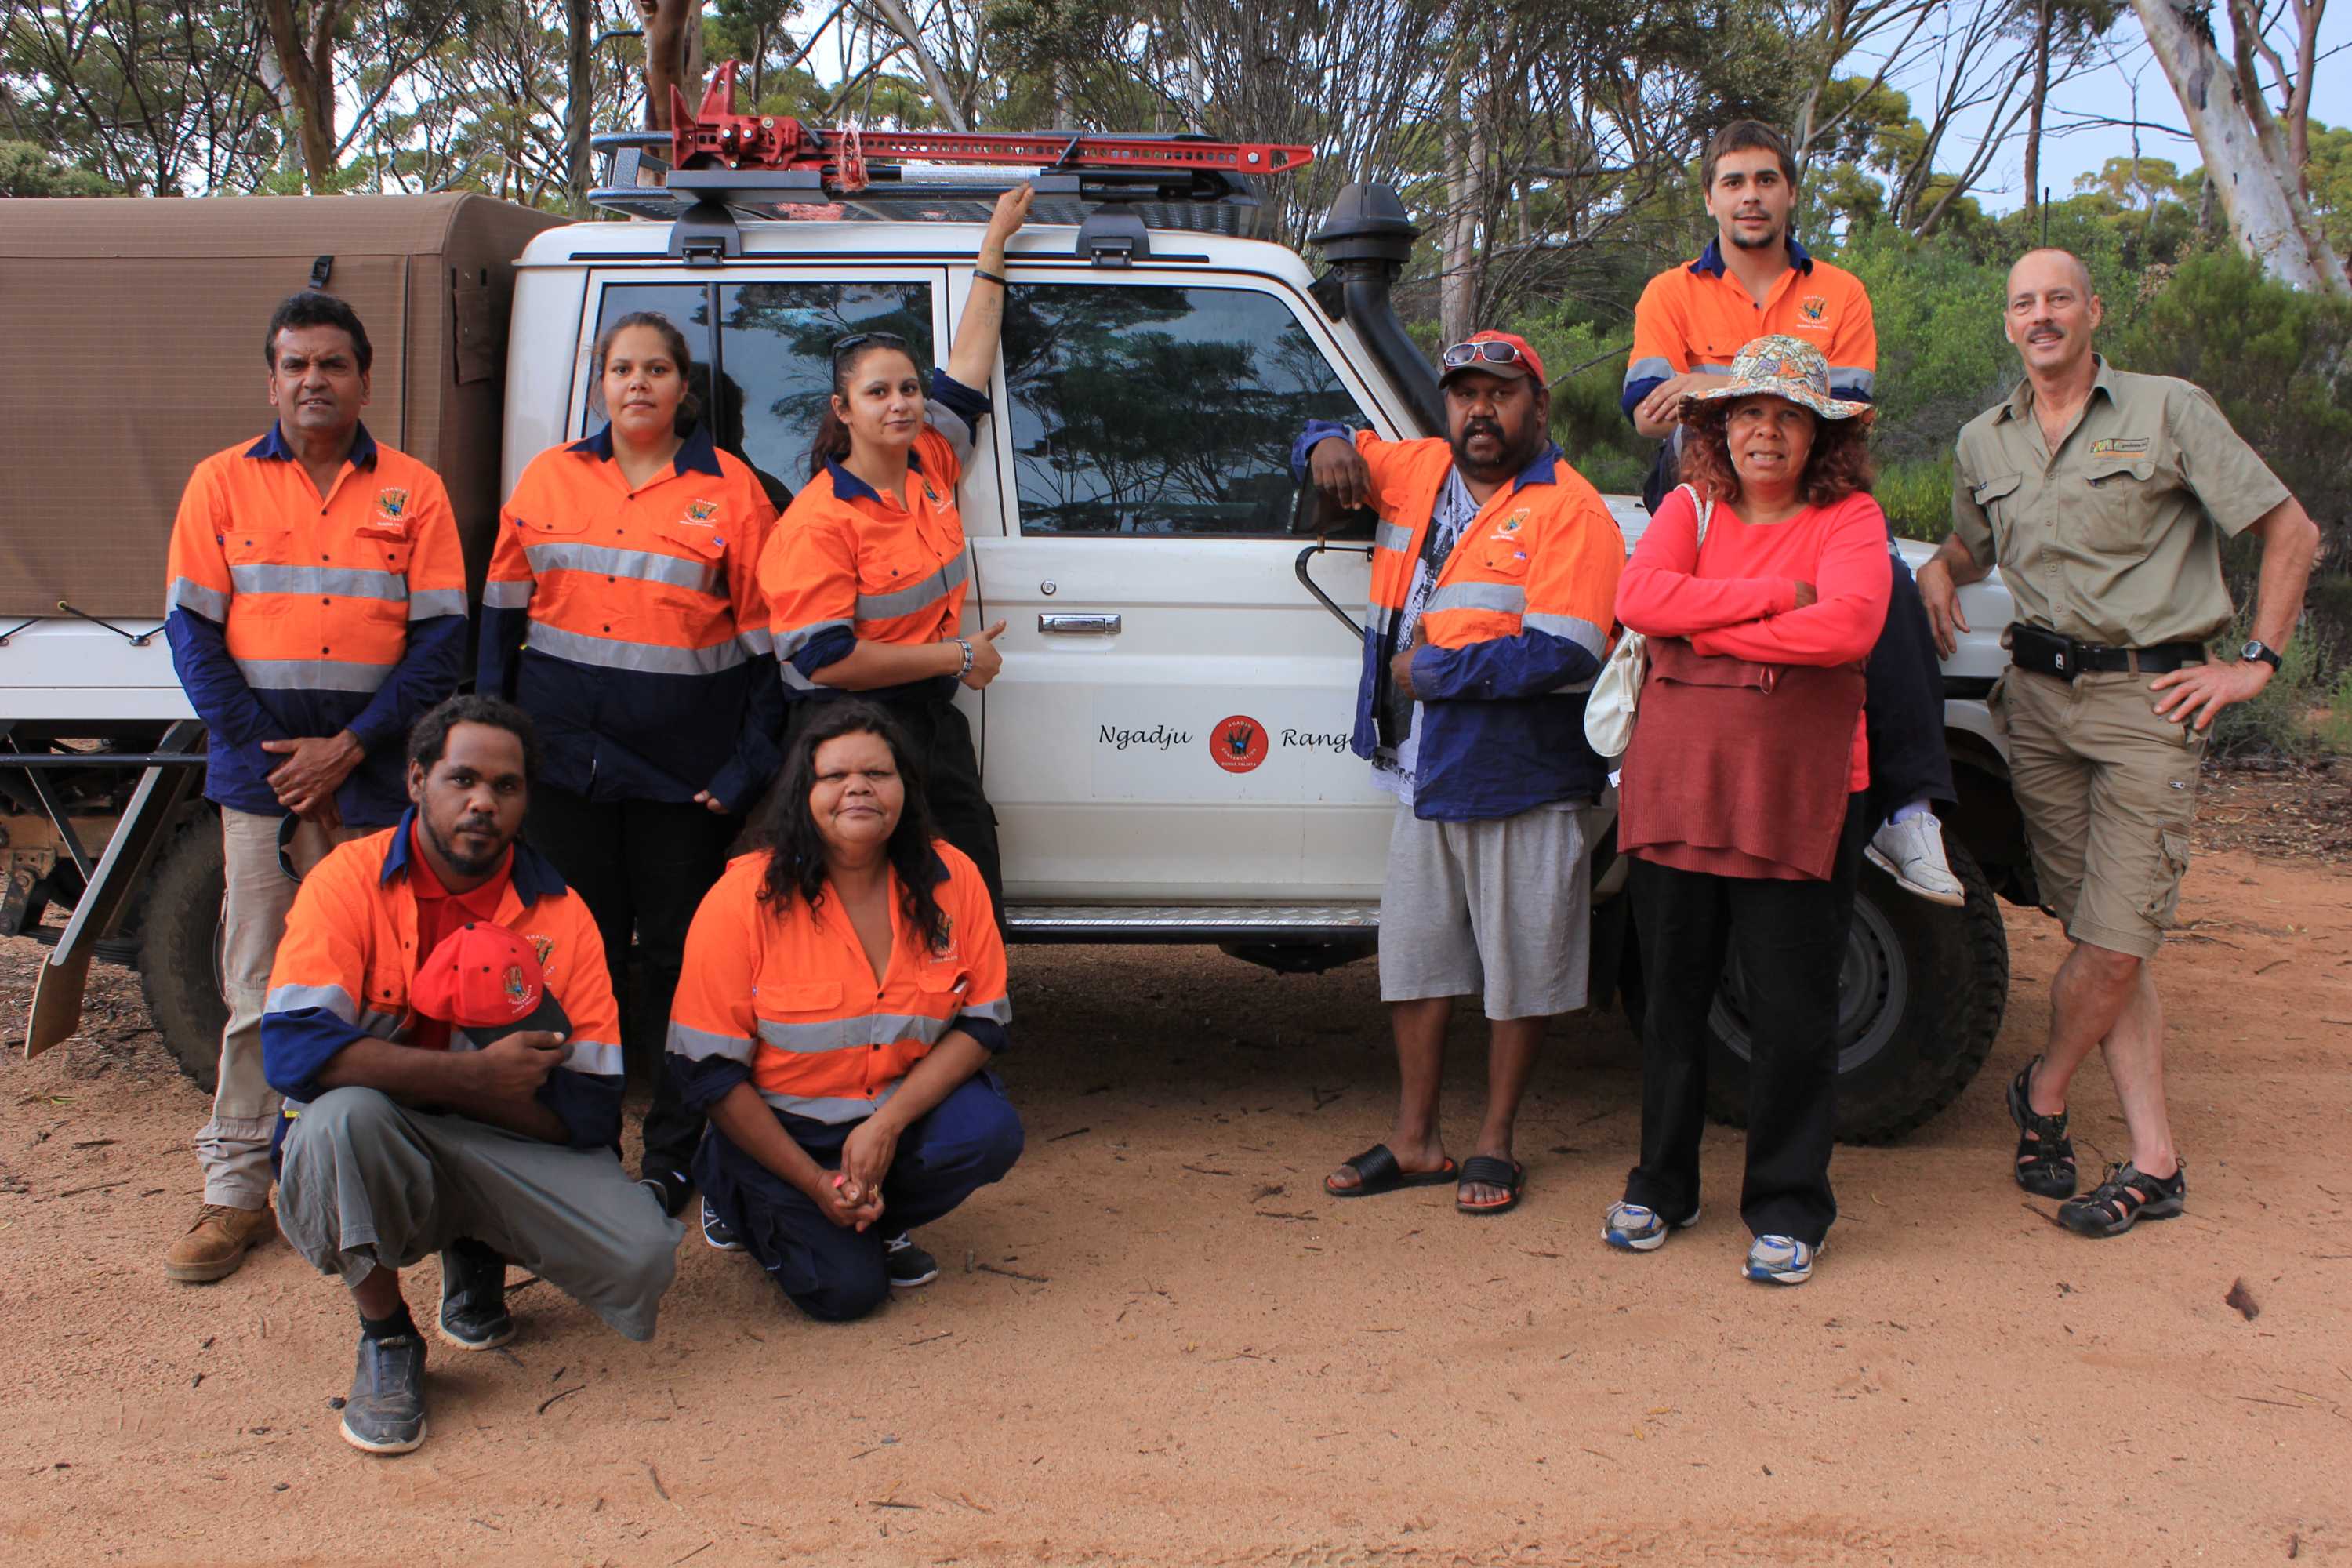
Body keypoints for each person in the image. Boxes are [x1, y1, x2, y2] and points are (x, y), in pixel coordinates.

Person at [1918, 248, 2321, 1239]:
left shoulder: (2168, 410)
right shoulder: (1986, 439)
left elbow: (2292, 530)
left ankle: (2053, 1093)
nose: (2042, 315)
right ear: (2008, 324)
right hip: (2039, 708)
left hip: (2151, 705)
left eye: (2059, 298)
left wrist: (2255, 661)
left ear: (2093, 311)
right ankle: (2153, 1155)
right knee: (2101, 930)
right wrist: (1939, 563)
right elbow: (1980, 543)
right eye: (2024, 303)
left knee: (2114, 938)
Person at [261, 695, 683, 1454]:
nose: (483, 802)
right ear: (417, 780)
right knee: (338, 1118)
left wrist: (488, 1094)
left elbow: (591, 1113)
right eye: (462, 779)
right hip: (383, 1130)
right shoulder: (347, 882)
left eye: (507, 786)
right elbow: (292, 1052)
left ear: (526, 800)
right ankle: (388, 1340)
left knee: (644, 1254)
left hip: (499, 1141)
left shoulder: (563, 913)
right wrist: (474, 1080)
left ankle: (477, 1249)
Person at [159, 291, 467, 1284]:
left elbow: (441, 642)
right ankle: (234, 1189)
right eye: (295, 364)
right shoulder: (219, 486)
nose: (313, 381)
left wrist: (351, 746)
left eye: (332, 364)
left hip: (380, 782)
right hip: (262, 784)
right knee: (257, 982)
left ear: (364, 379)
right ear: (273, 378)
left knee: (389, 981)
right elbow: (194, 636)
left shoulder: (413, 491)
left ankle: (368, 1171)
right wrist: (278, 754)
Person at [1297, 329, 1625, 1217]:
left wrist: (1435, 671)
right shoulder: (1418, 468)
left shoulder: (1575, 512)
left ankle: (1495, 1142)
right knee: (1417, 956)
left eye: (1502, 393)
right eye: (1464, 394)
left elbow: (1566, 652)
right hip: (1425, 769)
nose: (1481, 411)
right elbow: (1328, 433)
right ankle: (1416, 1139)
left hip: (1523, 769)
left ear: (1539, 406)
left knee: (1525, 963)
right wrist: (1323, 443)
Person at [478, 311, 783, 1221]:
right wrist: (499, 752)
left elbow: (776, 661)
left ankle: (674, 1157)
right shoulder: (549, 479)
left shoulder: (735, 494)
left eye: (656, 369)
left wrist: (742, 773)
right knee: (579, 965)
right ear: (599, 381)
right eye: (622, 368)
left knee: (682, 975)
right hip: (565, 771)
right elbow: (498, 622)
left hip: (681, 784)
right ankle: (584, 1143)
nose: (638, 383)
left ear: (683, 387)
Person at [1604, 336, 1893, 1286]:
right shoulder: (1690, 506)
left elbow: (1849, 624)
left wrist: (1701, 630)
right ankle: (1663, 1182)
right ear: (1719, 428)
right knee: (1673, 994)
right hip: (1680, 781)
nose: (1766, 431)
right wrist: (1772, 603)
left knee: (1793, 1007)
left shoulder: (1849, 516)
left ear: (1819, 434)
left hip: (1798, 793)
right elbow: (1639, 599)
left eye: (1788, 415)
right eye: (1749, 413)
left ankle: (1787, 1201)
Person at [1622, 119, 1963, 909]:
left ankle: (1909, 809)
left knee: (1887, 582)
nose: (1751, 196)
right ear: (1710, 197)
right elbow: (1649, 410)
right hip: (1700, 478)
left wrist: (1711, 389)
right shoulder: (1670, 292)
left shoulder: (1838, 292)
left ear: (1791, 193)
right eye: (1734, 181)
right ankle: (1634, 765)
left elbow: (1845, 410)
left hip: (1813, 481)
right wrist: (1760, 397)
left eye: (1765, 180)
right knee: (1647, 595)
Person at [665, 701, 1023, 1321]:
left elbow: (982, 1021)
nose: (857, 786)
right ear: (804, 792)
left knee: (988, 1133)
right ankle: (731, 1185)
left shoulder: (952, 878)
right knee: (847, 1296)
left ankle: (875, 1214)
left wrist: (885, 1127)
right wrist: (811, 1181)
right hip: (782, 1129)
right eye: (834, 776)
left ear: (906, 791)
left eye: (878, 774)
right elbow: (708, 1071)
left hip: (889, 1115)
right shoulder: (742, 897)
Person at [758, 185, 1033, 920]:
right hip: (845, 734)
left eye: (909, 388)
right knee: (873, 908)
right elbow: (825, 657)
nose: (901, 404)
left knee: (969, 895)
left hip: (929, 723)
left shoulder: (931, 462)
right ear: (843, 410)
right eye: (878, 392)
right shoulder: (817, 523)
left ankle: (969, 1026)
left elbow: (969, 367)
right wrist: (957, 658)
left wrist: (993, 249)